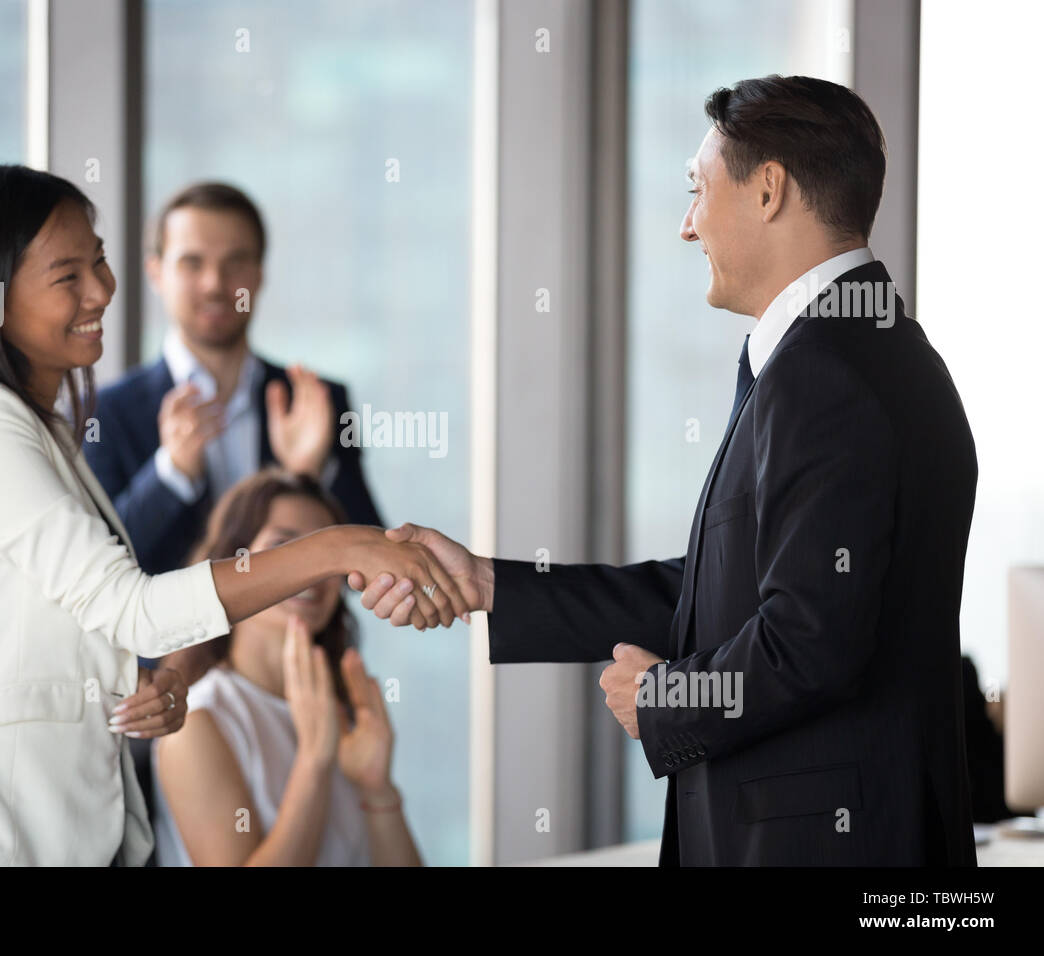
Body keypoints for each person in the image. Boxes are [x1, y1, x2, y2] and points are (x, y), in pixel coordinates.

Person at [352, 76, 979, 866]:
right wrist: (488, 585)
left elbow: (813, 638)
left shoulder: (827, 372)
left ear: (769, 189)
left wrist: (670, 700)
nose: (687, 227)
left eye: (697, 189)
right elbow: (729, 593)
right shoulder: (873, 351)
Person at [0, 165, 465, 866]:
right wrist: (335, 546)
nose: (101, 288)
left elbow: (63, 627)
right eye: (68, 275)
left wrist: (144, 684)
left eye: (98, 258)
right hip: (1, 832)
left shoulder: (49, 430)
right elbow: (132, 605)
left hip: (80, 823)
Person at [83, 181, 382, 578]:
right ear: (156, 273)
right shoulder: (104, 412)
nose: (214, 283)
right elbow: (99, 574)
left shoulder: (316, 403)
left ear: (259, 275)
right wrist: (171, 474)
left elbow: (368, 568)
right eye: (192, 263)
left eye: (236, 261)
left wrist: (306, 479)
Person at [151, 470, 421, 866]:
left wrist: (377, 789)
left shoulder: (342, 709)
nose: (309, 573)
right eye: (283, 547)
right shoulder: (196, 723)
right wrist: (314, 761)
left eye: (329, 560)